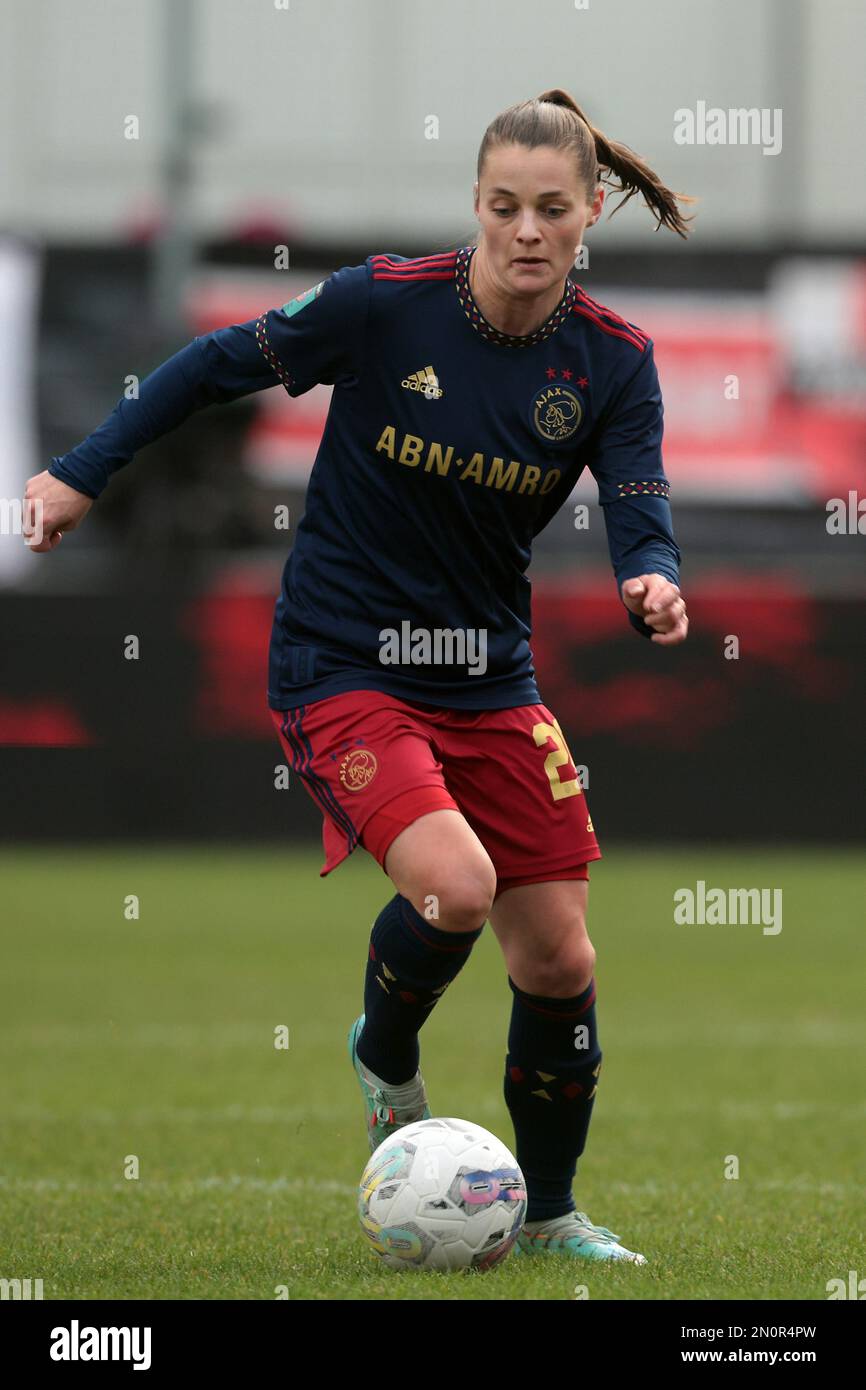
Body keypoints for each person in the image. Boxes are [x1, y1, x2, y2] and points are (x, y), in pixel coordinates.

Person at [26, 88, 692, 1265]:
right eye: (501, 208)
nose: (525, 232)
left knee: (560, 957)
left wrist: (652, 578)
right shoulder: (382, 305)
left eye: (550, 209)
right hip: (340, 659)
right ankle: (386, 1054)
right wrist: (80, 474)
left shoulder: (611, 361)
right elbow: (210, 367)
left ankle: (548, 1214)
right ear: (473, 207)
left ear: (591, 209)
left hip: (488, 673)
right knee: (456, 886)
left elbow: (637, 500)